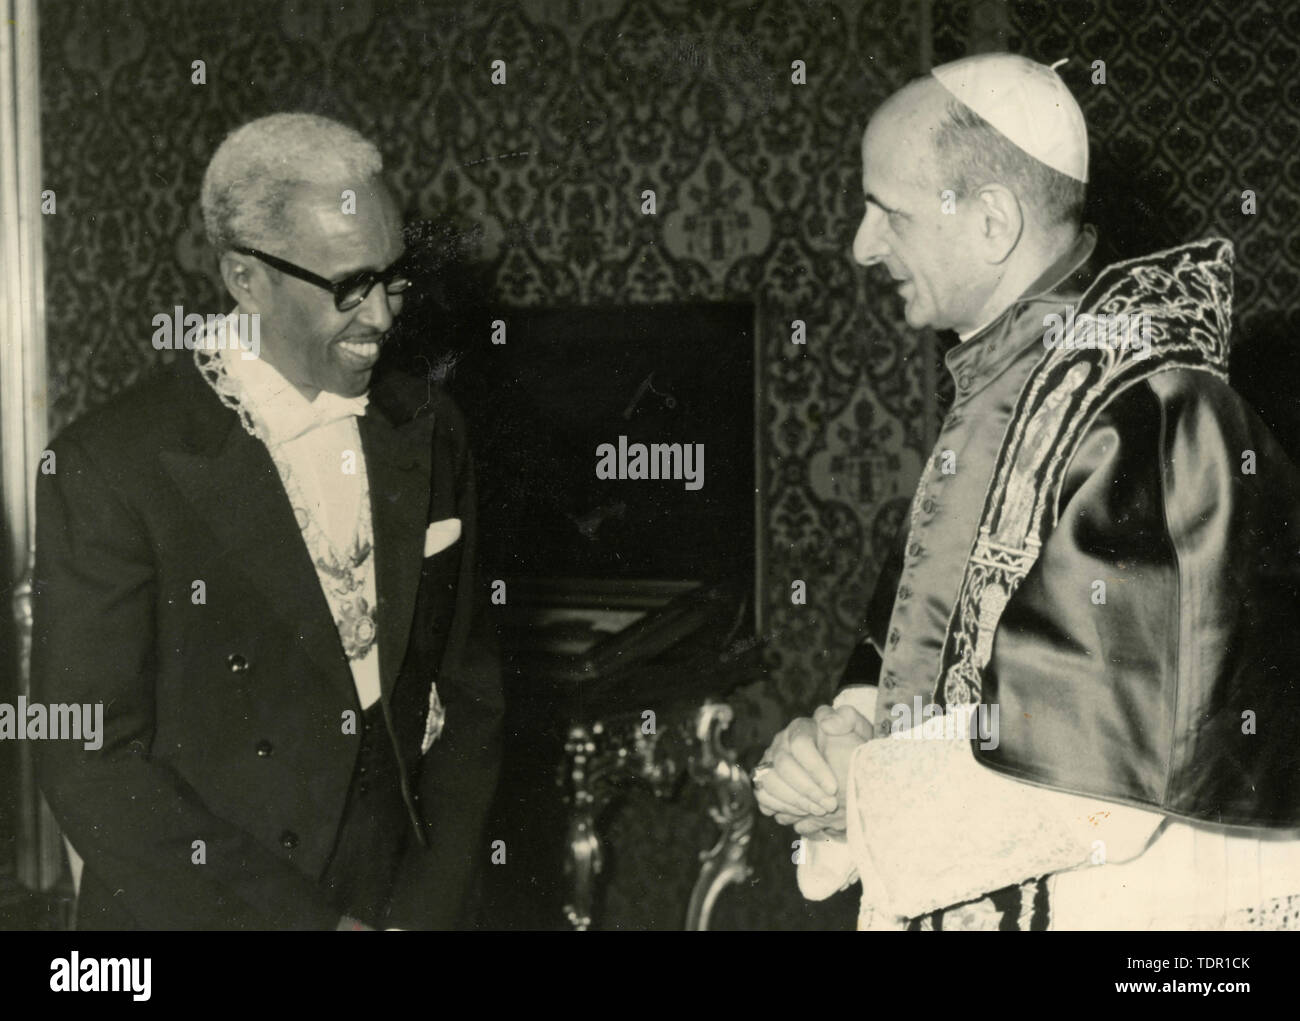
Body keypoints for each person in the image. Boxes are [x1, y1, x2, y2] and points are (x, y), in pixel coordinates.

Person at [754, 54, 1300, 930]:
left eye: (884, 212)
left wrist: (858, 797)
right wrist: (832, 744)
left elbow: (1101, 778)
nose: (861, 246)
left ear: (993, 220)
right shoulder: (999, 393)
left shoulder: (1152, 409)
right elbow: (928, 643)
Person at [31, 113, 503, 930]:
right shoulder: (113, 465)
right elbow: (90, 760)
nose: (384, 320)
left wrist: (421, 911)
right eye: (349, 289)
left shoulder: (431, 424)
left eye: (392, 281)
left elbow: (470, 695)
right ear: (246, 280)